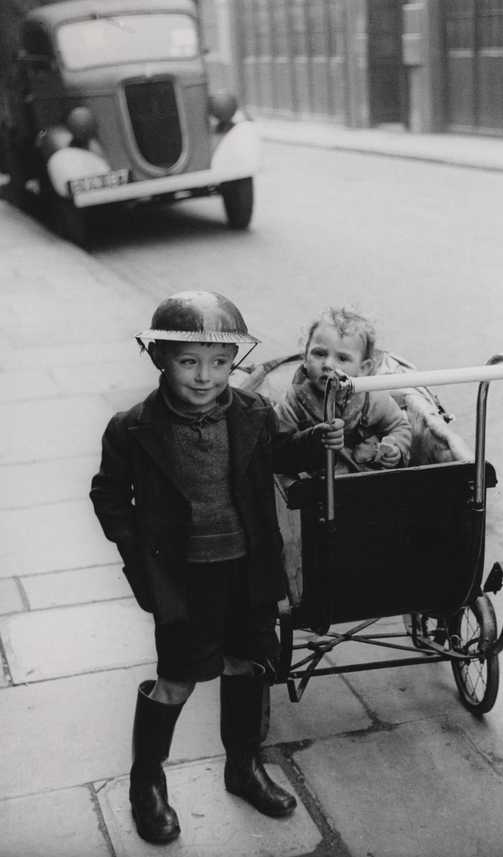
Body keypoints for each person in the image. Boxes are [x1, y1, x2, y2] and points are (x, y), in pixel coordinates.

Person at [89, 291, 342, 845]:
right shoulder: (131, 428)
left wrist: (313, 442)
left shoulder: (251, 413)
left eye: (220, 363)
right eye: (189, 362)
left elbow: (278, 456)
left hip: (247, 571)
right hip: (182, 579)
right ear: (160, 359)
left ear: (235, 362)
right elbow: (108, 497)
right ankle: (146, 784)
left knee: (246, 664)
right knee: (176, 679)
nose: (206, 376)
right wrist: (141, 560)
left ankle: (243, 766)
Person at [275, 307, 412, 472]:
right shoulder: (293, 400)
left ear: (364, 368)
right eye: (319, 354)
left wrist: (395, 449)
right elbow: (278, 445)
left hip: (361, 474)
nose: (328, 365)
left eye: (342, 358)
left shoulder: (372, 396)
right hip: (314, 477)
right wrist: (311, 440)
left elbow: (399, 426)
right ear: (305, 358)